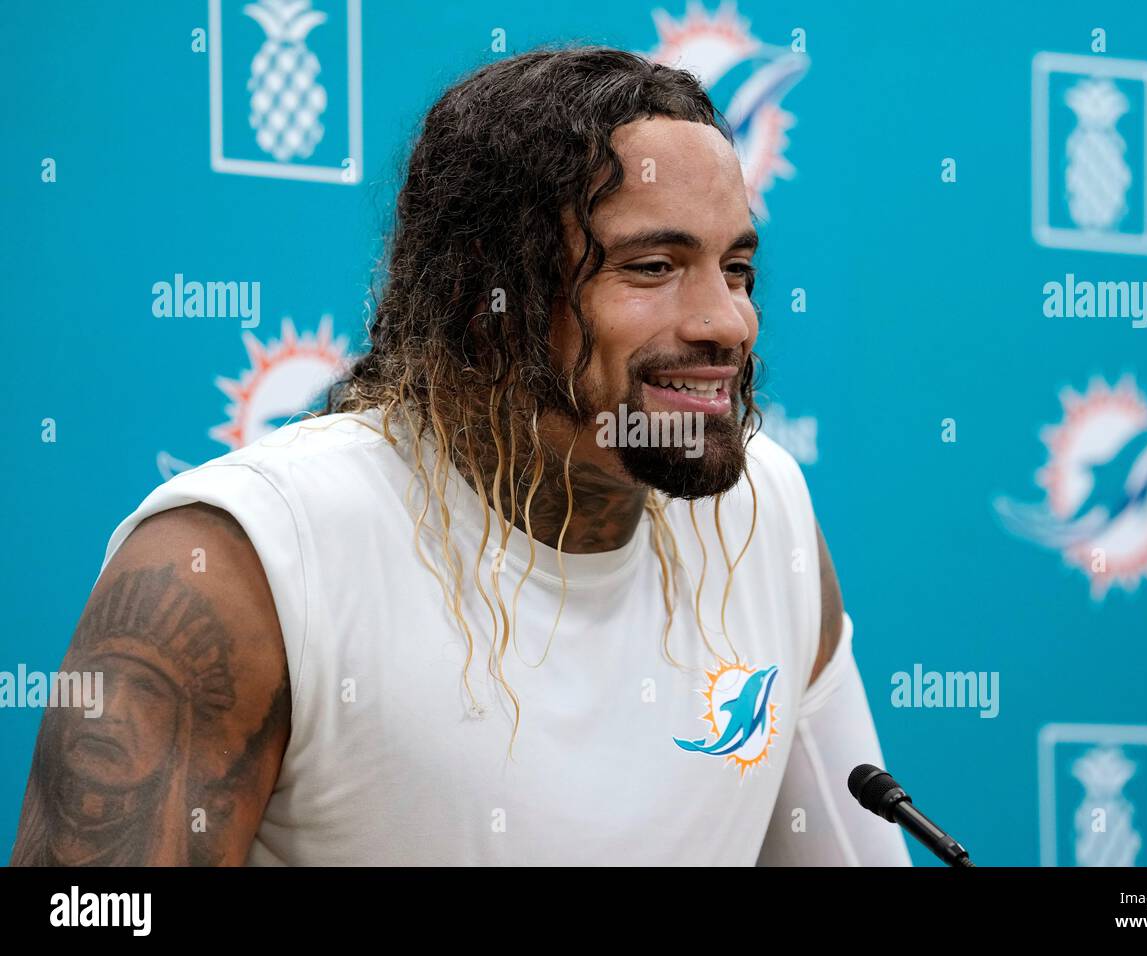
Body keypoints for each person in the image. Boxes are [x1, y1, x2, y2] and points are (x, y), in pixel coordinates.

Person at [12, 46, 910, 866]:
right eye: (652, 267)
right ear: (492, 292)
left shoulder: (763, 514)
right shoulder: (244, 557)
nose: (726, 321)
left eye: (737, 269)